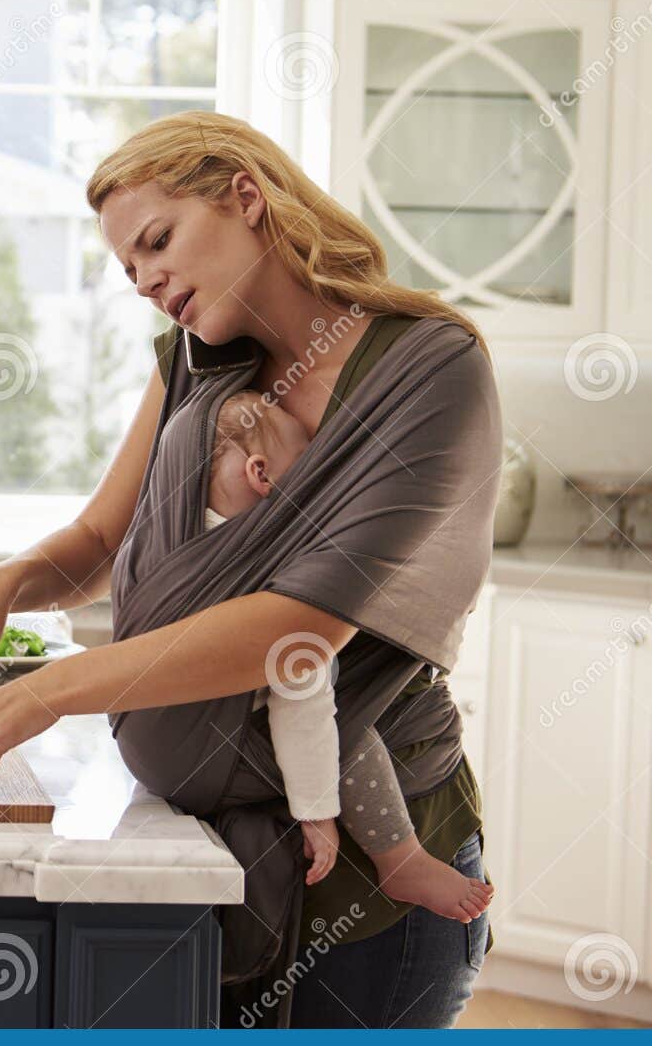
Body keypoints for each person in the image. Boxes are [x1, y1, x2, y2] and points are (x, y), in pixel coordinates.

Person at [0, 110, 500, 1028]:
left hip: (377, 868)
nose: (144, 281)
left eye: (157, 242)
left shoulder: (428, 372)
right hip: (207, 843)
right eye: (128, 268)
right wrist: (2, 581)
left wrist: (46, 692)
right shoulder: (196, 366)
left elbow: (295, 632)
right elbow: (99, 540)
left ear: (247, 199)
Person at [206, 390, 492, 922]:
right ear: (262, 474)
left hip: (197, 731)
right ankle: (399, 857)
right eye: (309, 474)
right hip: (251, 718)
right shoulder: (267, 567)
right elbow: (301, 695)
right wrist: (315, 812)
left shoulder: (186, 537)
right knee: (345, 726)